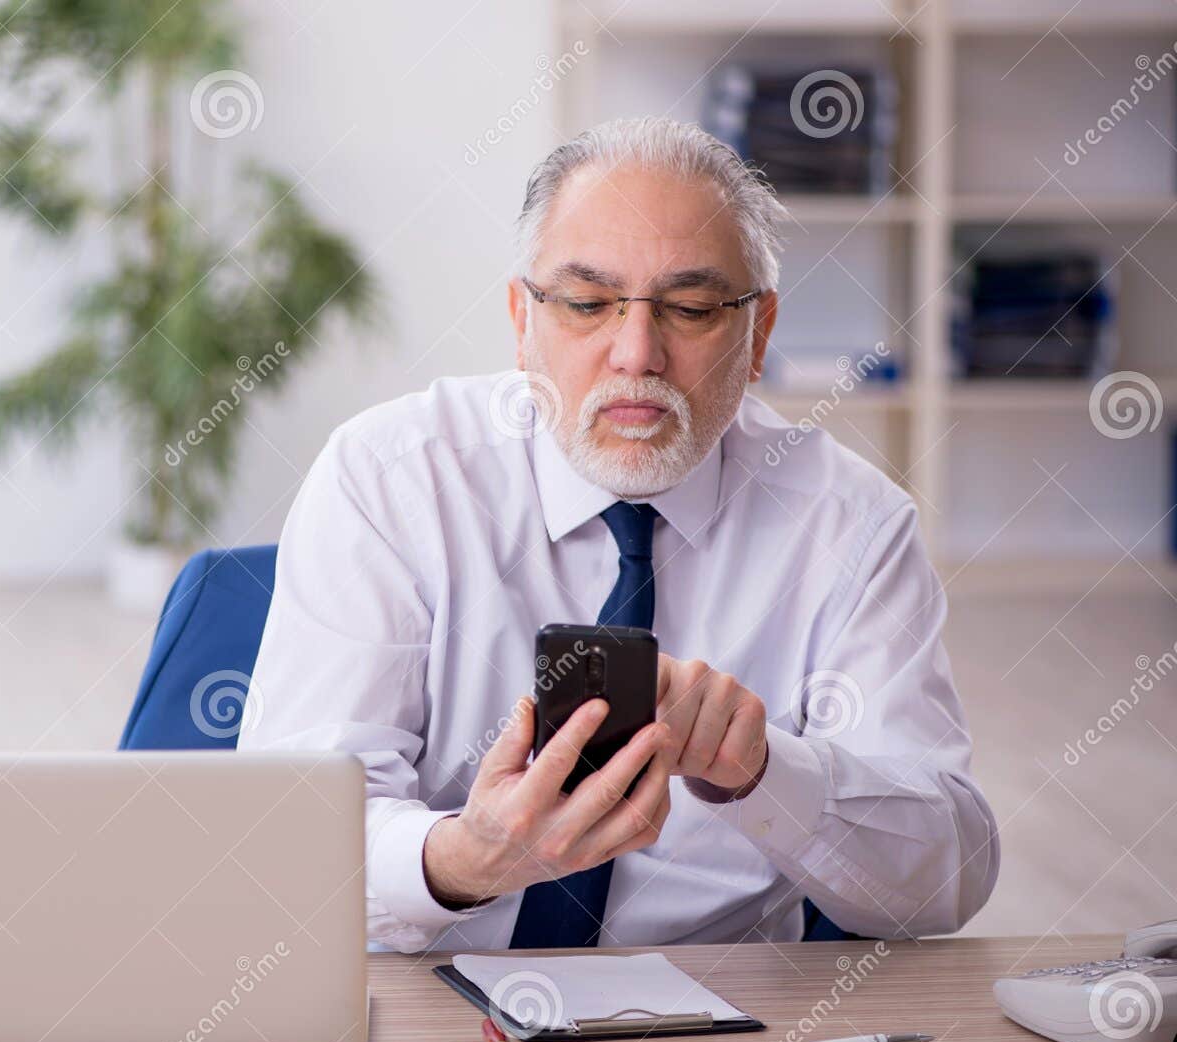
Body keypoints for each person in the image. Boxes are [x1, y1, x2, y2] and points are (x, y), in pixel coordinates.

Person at [237, 116, 999, 953]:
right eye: (588, 304)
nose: (636, 354)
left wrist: (766, 772)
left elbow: (946, 880)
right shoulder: (389, 478)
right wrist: (462, 861)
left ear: (760, 334)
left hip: (717, 1033)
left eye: (693, 307)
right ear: (521, 320)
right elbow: (289, 851)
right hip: (428, 1021)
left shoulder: (851, 524)